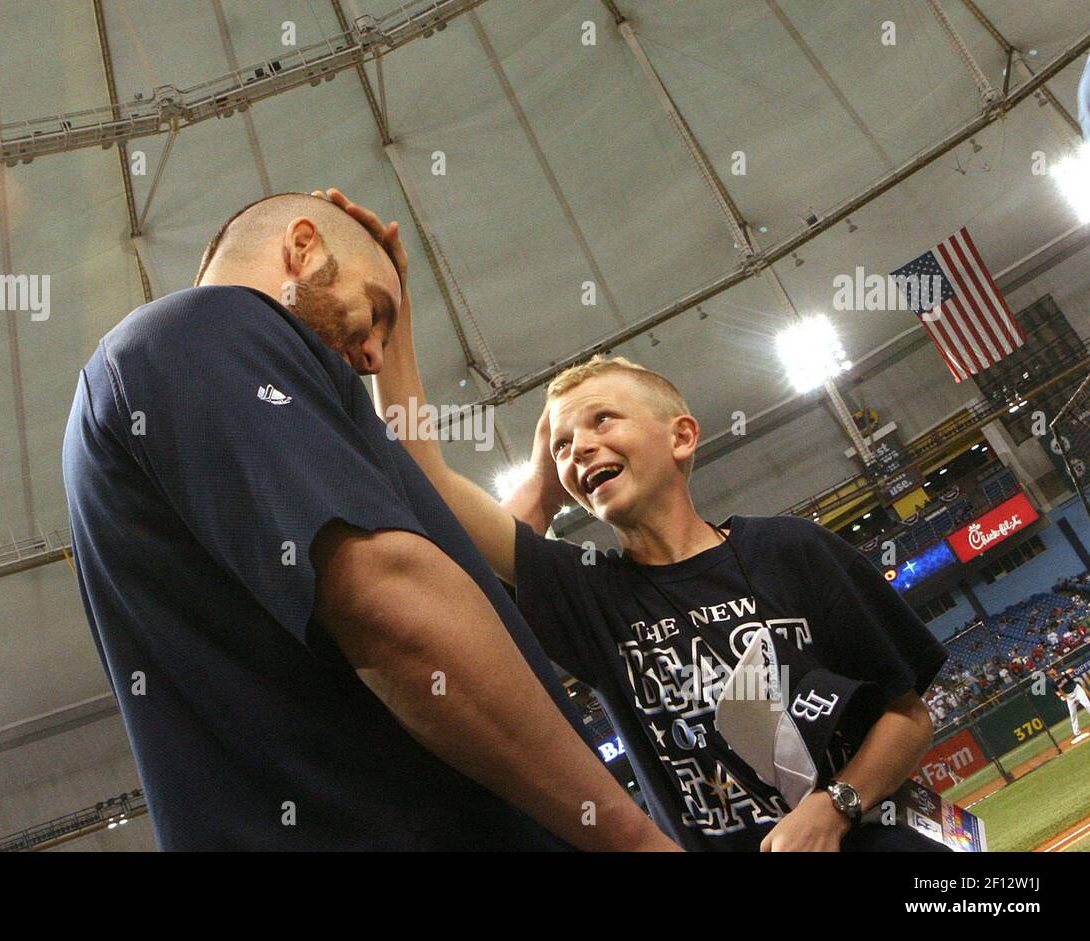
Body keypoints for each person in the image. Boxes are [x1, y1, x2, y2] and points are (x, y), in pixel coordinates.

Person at [62, 191, 676, 852]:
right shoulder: (200, 327)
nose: (376, 357)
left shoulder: (198, 377)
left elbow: (423, 497)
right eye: (376, 312)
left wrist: (395, 299)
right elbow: (389, 604)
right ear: (302, 247)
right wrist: (629, 836)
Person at [348, 185, 948, 850]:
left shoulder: (792, 549)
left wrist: (832, 809)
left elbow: (908, 712)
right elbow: (424, 476)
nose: (581, 447)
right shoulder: (588, 593)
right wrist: (394, 313)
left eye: (604, 420)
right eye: (565, 445)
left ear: (681, 437)